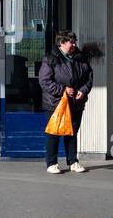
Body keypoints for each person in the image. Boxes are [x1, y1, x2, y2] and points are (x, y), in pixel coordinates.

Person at [38, 30, 93, 174]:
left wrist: (83, 90)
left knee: (72, 133)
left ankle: (73, 162)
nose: (74, 44)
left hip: (75, 103)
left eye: (75, 41)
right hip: (55, 104)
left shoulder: (81, 58)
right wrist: (63, 90)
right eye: (71, 42)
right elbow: (44, 81)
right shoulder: (50, 59)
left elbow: (89, 77)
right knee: (54, 133)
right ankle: (52, 163)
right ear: (61, 43)